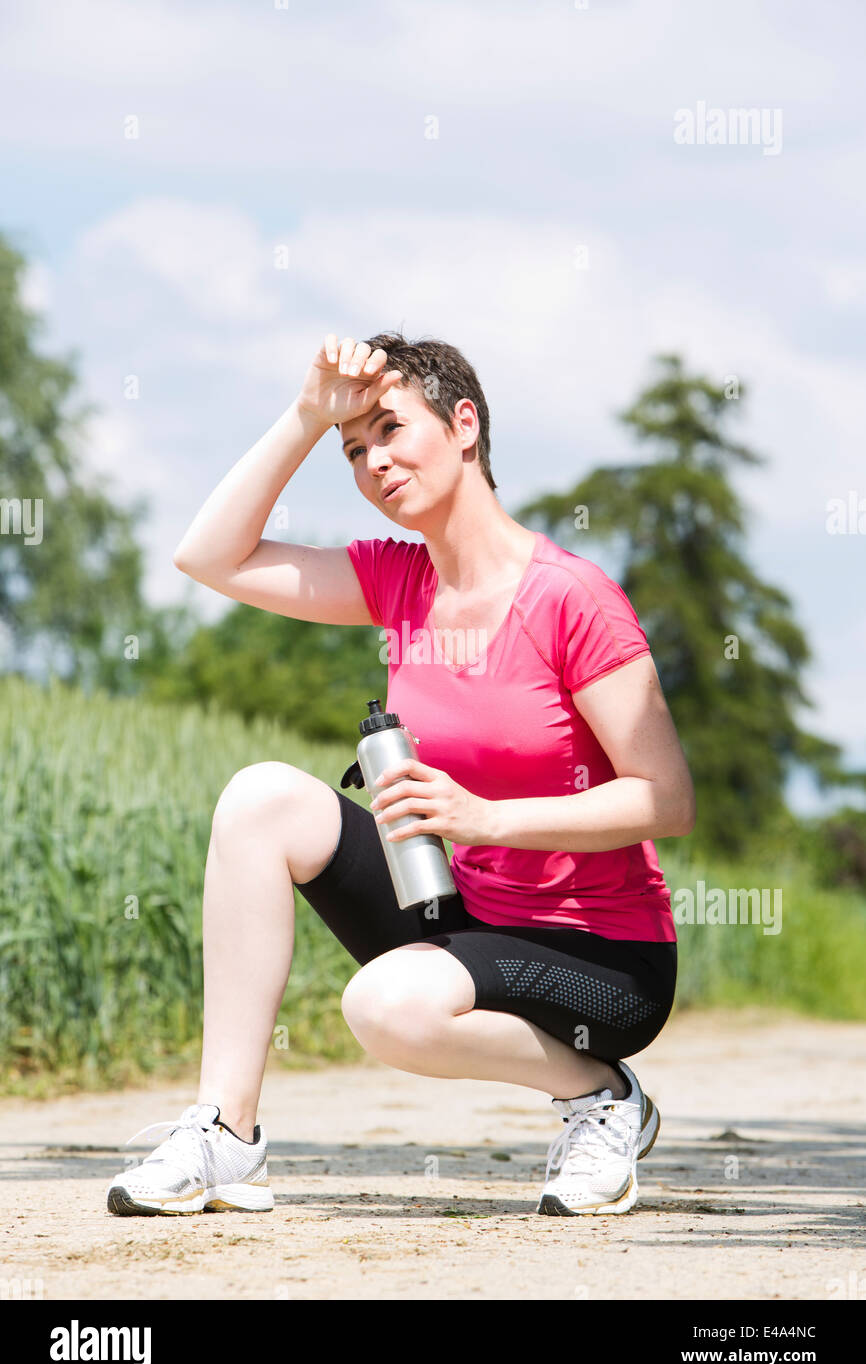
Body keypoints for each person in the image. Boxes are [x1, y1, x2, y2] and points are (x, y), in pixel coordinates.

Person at [106, 331, 695, 1219]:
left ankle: (601, 1096)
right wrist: (310, 414)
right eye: (354, 449)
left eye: (389, 430)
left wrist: (486, 819)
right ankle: (225, 1135)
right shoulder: (399, 582)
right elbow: (210, 557)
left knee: (384, 1007)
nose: (373, 461)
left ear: (465, 425)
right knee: (260, 797)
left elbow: (665, 798)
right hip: (467, 914)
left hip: (600, 959)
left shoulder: (573, 599)